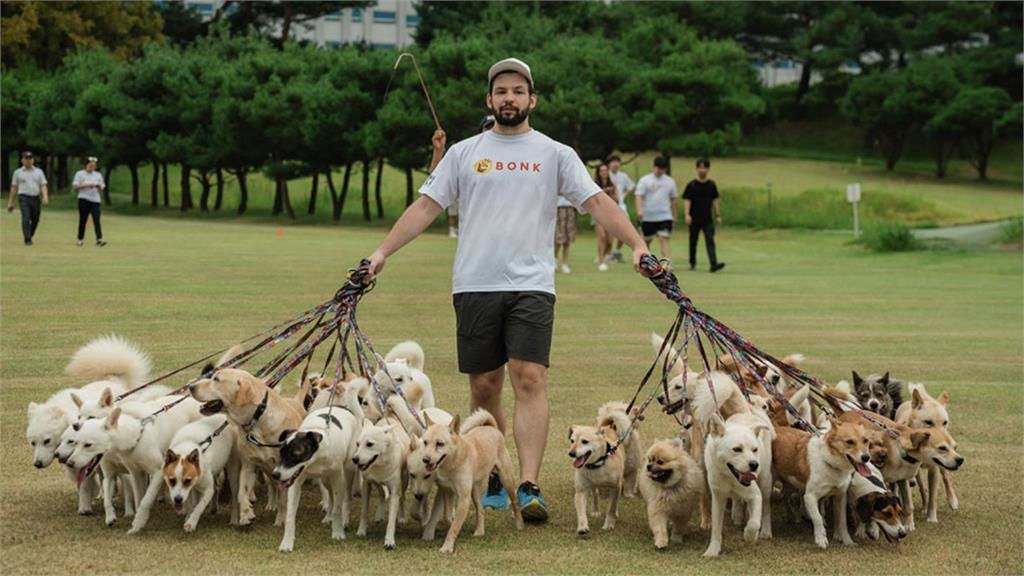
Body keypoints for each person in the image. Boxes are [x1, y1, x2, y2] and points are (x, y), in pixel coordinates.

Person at [366, 57, 649, 523]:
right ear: (490, 99)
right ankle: (494, 472)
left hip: (532, 284)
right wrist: (381, 252)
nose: (510, 98)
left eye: (518, 91)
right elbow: (425, 207)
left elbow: (597, 202)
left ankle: (530, 483)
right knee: (484, 385)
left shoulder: (555, 153)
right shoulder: (464, 152)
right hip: (475, 283)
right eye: (501, 91)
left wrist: (638, 244)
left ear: (532, 99)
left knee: (530, 377)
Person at [430, 116, 496, 239]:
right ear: (480, 131)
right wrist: (438, 151)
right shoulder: (466, 153)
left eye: (494, 126)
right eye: (488, 127)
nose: (491, 130)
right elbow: (435, 177)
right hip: (474, 235)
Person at [683, 158, 725, 272]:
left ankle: (713, 263)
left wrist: (717, 215)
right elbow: (687, 200)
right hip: (694, 218)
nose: (702, 170)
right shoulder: (691, 185)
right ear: (697, 169)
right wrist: (687, 214)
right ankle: (692, 263)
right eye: (700, 168)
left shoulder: (711, 185)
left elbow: (715, 201)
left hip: (707, 218)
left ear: (708, 169)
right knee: (693, 241)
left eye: (704, 168)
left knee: (710, 240)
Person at [635, 155, 678, 259]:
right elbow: (639, 196)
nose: (660, 170)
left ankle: (666, 262)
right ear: (654, 166)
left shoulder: (670, 181)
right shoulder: (645, 180)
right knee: (646, 241)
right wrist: (639, 210)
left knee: (664, 238)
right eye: (658, 168)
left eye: (662, 168)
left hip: (664, 215)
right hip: (648, 216)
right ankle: (647, 262)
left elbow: (674, 199)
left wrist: (674, 215)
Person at [7, 151, 49, 246]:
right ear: (22, 160)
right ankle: (27, 239)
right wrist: (10, 202)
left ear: (33, 160)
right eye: (26, 158)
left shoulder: (39, 172)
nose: (28, 160)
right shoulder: (18, 173)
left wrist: (45, 196)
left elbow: (43, 185)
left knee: (35, 219)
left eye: (30, 158)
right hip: (24, 198)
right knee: (25, 217)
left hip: (36, 198)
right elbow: (14, 187)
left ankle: (29, 234)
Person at [73, 156, 107, 247]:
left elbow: (102, 187)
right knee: (83, 219)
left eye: (94, 166)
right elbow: (75, 186)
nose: (92, 167)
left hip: (95, 200)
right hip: (84, 199)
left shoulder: (98, 175)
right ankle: (80, 238)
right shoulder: (80, 174)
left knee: (96, 219)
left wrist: (99, 187)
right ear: (86, 165)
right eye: (90, 165)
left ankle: (99, 238)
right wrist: (88, 185)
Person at [607, 155, 635, 263]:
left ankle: (617, 251)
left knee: (625, 229)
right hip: (607, 206)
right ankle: (606, 254)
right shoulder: (606, 175)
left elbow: (631, 186)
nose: (616, 164)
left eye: (617, 162)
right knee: (608, 232)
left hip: (621, 206)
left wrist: (624, 195)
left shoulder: (623, 176)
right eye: (613, 162)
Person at [593, 163, 617, 272]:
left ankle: (603, 255)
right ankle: (601, 261)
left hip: (610, 214)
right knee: (602, 237)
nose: (604, 172)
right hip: (598, 213)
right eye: (602, 170)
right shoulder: (594, 185)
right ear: (598, 172)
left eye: (606, 170)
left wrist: (611, 193)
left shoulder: (612, 185)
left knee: (610, 240)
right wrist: (603, 192)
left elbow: (617, 200)